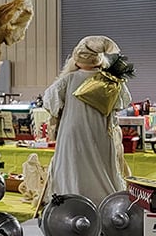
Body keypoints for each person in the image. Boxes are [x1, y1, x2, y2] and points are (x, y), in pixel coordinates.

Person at [43, 36, 134, 207]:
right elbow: (122, 101)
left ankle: (71, 203)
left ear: (76, 60)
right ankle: (104, 205)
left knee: (73, 166)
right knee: (101, 165)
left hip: (72, 133)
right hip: (99, 131)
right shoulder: (110, 81)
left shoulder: (68, 80)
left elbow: (49, 101)